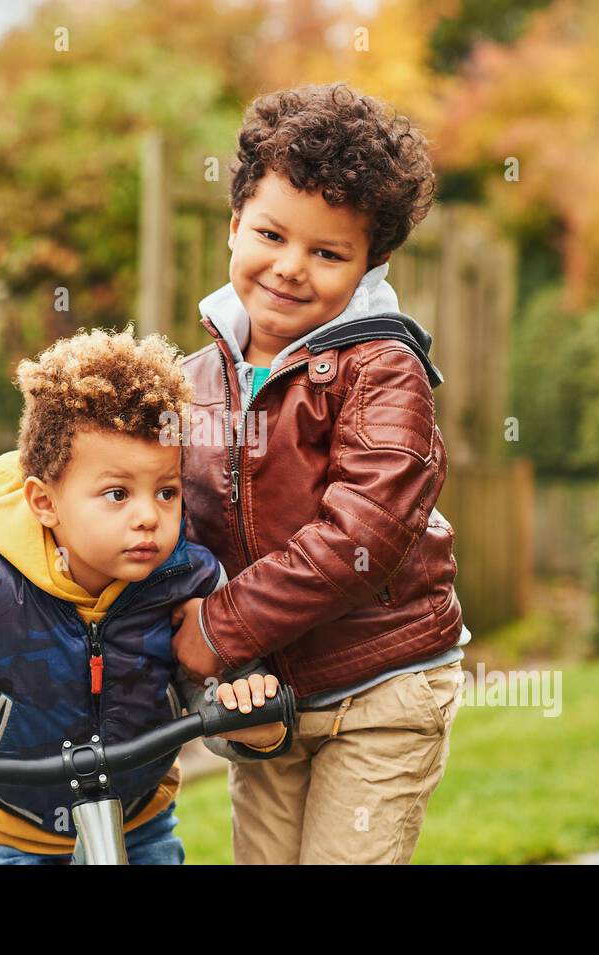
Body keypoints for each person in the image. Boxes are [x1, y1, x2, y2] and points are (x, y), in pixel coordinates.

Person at [171, 82, 470, 864]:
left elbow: (362, 534)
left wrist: (219, 626)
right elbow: (167, 518)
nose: (290, 268)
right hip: (265, 699)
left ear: (371, 261)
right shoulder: (197, 378)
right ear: (234, 224)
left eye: (328, 252)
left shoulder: (381, 368)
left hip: (382, 684)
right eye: (271, 234)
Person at [0, 326, 289, 865]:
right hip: (8, 827)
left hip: (137, 821)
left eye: (166, 491)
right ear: (45, 502)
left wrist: (249, 718)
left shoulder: (190, 580)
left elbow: (214, 683)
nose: (148, 516)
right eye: (116, 493)